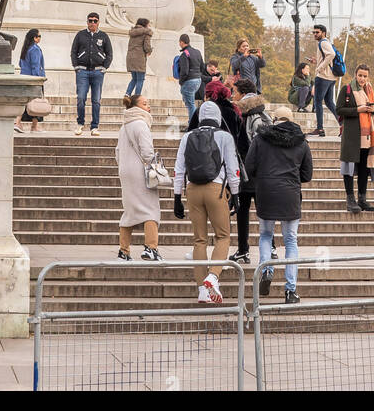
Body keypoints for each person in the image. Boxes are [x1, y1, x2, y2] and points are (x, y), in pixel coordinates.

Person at [173, 98, 240, 304]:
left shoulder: (188, 136)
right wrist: (235, 194)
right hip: (215, 189)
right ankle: (214, 275)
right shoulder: (224, 136)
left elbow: (179, 169)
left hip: (192, 189)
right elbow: (232, 168)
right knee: (223, 236)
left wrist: (177, 197)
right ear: (218, 117)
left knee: (199, 240)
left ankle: (202, 289)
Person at [244, 104, 313, 305]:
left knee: (266, 235)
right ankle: (290, 291)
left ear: (274, 120)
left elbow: (249, 166)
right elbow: (307, 174)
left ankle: (266, 270)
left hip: (266, 192)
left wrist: (264, 178)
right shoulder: (302, 143)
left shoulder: (260, 139)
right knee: (291, 240)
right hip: (290, 195)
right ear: (291, 120)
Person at [116, 93, 162, 261]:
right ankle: (151, 248)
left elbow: (117, 152)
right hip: (140, 171)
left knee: (129, 211)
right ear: (136, 107)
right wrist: (154, 167)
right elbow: (147, 151)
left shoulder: (124, 127)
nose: (148, 106)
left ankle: (124, 250)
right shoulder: (141, 124)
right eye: (145, 103)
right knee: (150, 209)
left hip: (125, 170)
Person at [232, 82, 272, 265]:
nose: (233, 95)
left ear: (242, 93)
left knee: (243, 210)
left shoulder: (244, 114)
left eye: (235, 92)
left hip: (246, 168)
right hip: (263, 170)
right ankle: (271, 248)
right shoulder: (263, 112)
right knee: (264, 212)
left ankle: (243, 249)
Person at [336, 64, 374, 213]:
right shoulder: (347, 89)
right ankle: (350, 200)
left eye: (365, 76)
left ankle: (362, 199)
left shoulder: (370, 91)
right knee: (349, 167)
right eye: (360, 75)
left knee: (364, 168)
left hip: (368, 135)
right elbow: (339, 109)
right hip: (351, 135)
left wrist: (372, 109)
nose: (362, 79)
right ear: (355, 75)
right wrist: (358, 110)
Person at [71, 13, 112, 135]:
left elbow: (109, 53)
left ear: (98, 22)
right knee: (81, 98)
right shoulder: (80, 35)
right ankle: (80, 123)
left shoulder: (103, 36)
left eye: (95, 21)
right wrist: (76, 67)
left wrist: (105, 68)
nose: (92, 23)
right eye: (90, 21)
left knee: (96, 100)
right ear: (87, 22)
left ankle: (94, 126)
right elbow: (73, 51)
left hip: (98, 72)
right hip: (82, 71)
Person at [15, 28, 46, 134]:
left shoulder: (26, 49)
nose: (40, 38)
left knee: (26, 102)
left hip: (24, 78)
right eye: (39, 36)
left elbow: (20, 64)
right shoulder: (35, 49)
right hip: (34, 79)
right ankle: (32, 126)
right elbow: (36, 66)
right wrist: (38, 79)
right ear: (35, 38)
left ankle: (19, 123)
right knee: (36, 103)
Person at [311, 22, 339, 136]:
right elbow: (329, 57)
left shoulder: (323, 42)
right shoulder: (327, 43)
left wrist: (319, 68)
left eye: (317, 32)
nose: (315, 34)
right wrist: (317, 62)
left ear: (324, 33)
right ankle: (343, 124)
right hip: (331, 77)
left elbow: (331, 54)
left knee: (317, 102)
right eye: (314, 32)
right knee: (329, 102)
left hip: (323, 77)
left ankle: (320, 128)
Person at [176, 34, 206, 123]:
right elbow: (202, 67)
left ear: (181, 42)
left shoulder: (184, 54)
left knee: (190, 104)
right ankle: (192, 121)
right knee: (189, 102)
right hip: (198, 80)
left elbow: (184, 71)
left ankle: (192, 123)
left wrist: (181, 82)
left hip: (189, 81)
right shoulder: (197, 52)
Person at [125, 18, 152, 98]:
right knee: (140, 79)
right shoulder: (146, 33)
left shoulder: (133, 33)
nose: (149, 26)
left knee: (134, 79)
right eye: (148, 24)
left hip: (130, 58)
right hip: (140, 59)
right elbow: (146, 47)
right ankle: (137, 98)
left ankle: (127, 94)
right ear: (145, 24)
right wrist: (150, 51)